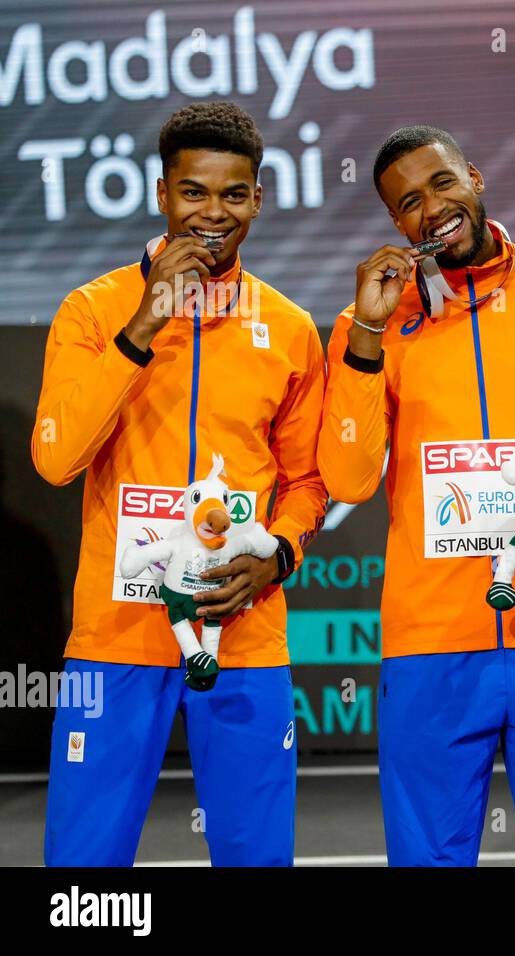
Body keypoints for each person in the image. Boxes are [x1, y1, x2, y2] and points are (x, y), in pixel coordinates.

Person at [317, 126, 515, 866]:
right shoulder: (370, 325)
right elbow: (348, 477)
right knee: (428, 856)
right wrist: (366, 330)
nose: (432, 208)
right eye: (408, 203)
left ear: (476, 176)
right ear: (397, 224)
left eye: (442, 184)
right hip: (430, 641)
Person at [32, 101, 327, 866]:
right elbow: (56, 458)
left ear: (258, 200)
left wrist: (281, 554)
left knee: (255, 855)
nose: (213, 213)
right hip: (117, 636)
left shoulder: (290, 329)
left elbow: (307, 482)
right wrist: (145, 324)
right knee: (85, 865)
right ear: (162, 194)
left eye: (234, 194)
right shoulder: (94, 312)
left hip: (244, 629)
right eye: (194, 192)